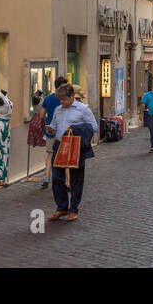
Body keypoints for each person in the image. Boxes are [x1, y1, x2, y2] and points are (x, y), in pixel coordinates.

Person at [44, 83, 97, 222]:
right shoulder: (58, 110)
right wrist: (51, 129)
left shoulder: (83, 109)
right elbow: (55, 126)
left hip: (75, 146)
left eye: (64, 99)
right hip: (60, 145)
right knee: (56, 178)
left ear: (72, 96)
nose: (62, 102)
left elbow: (94, 127)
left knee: (76, 179)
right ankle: (61, 207)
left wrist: (75, 128)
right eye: (60, 100)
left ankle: (73, 209)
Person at [36, 76, 68, 189]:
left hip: (50, 129)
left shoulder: (48, 99)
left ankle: (46, 178)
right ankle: (67, 181)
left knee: (50, 154)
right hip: (63, 129)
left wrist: (48, 120)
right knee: (64, 155)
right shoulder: (65, 99)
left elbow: (41, 115)